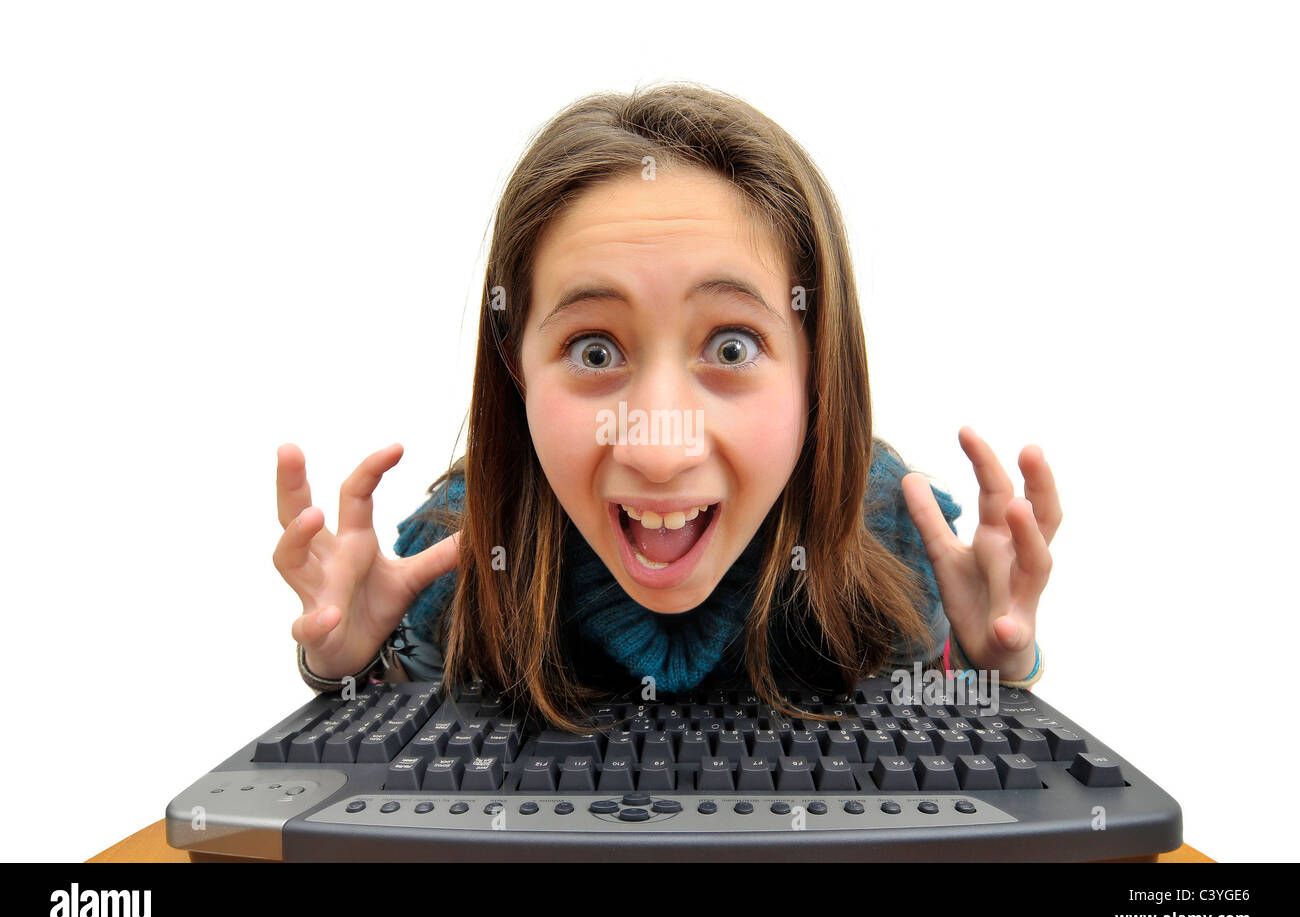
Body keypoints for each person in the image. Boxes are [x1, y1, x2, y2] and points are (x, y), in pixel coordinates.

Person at [272, 82, 1061, 733]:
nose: (659, 448)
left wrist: (993, 667)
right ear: (517, 370)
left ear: (818, 371)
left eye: (730, 348)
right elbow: (400, 752)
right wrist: (349, 665)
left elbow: (946, 737)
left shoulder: (885, 531)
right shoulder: (462, 546)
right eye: (594, 352)